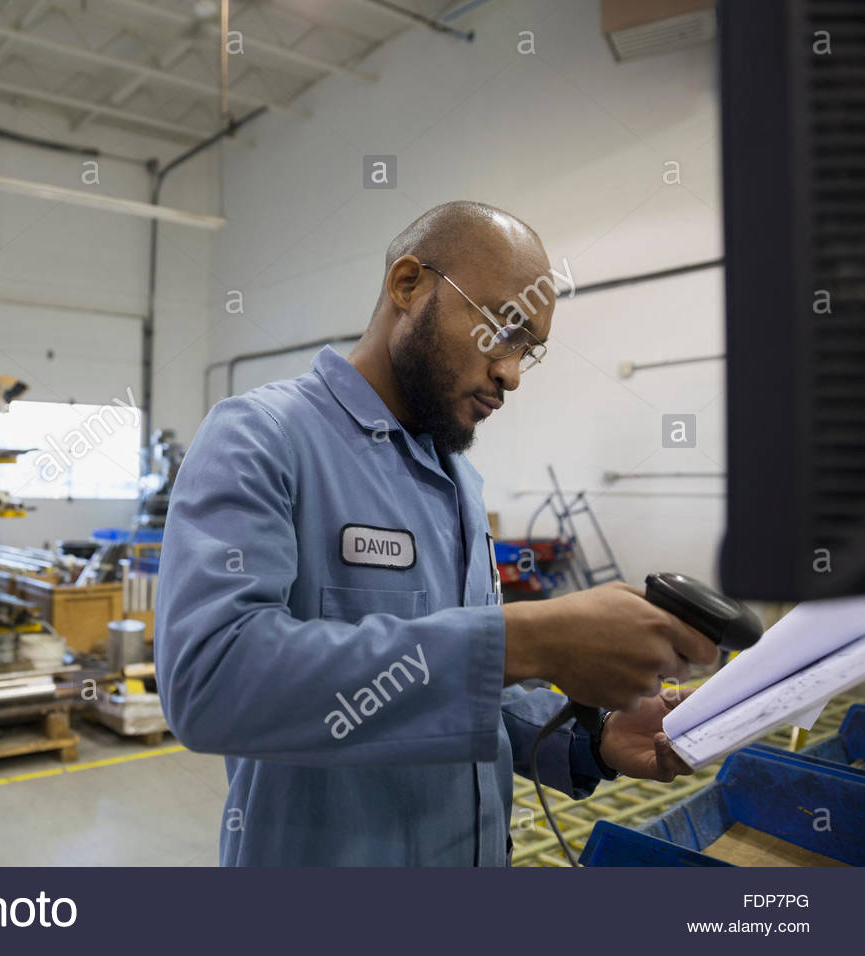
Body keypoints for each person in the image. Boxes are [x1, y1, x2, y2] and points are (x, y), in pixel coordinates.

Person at [154, 201, 718, 866]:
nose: (510, 372)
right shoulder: (262, 437)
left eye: (527, 349)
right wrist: (526, 638)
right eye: (502, 329)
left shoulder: (457, 480)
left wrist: (587, 737)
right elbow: (210, 683)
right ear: (407, 285)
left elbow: (466, 685)